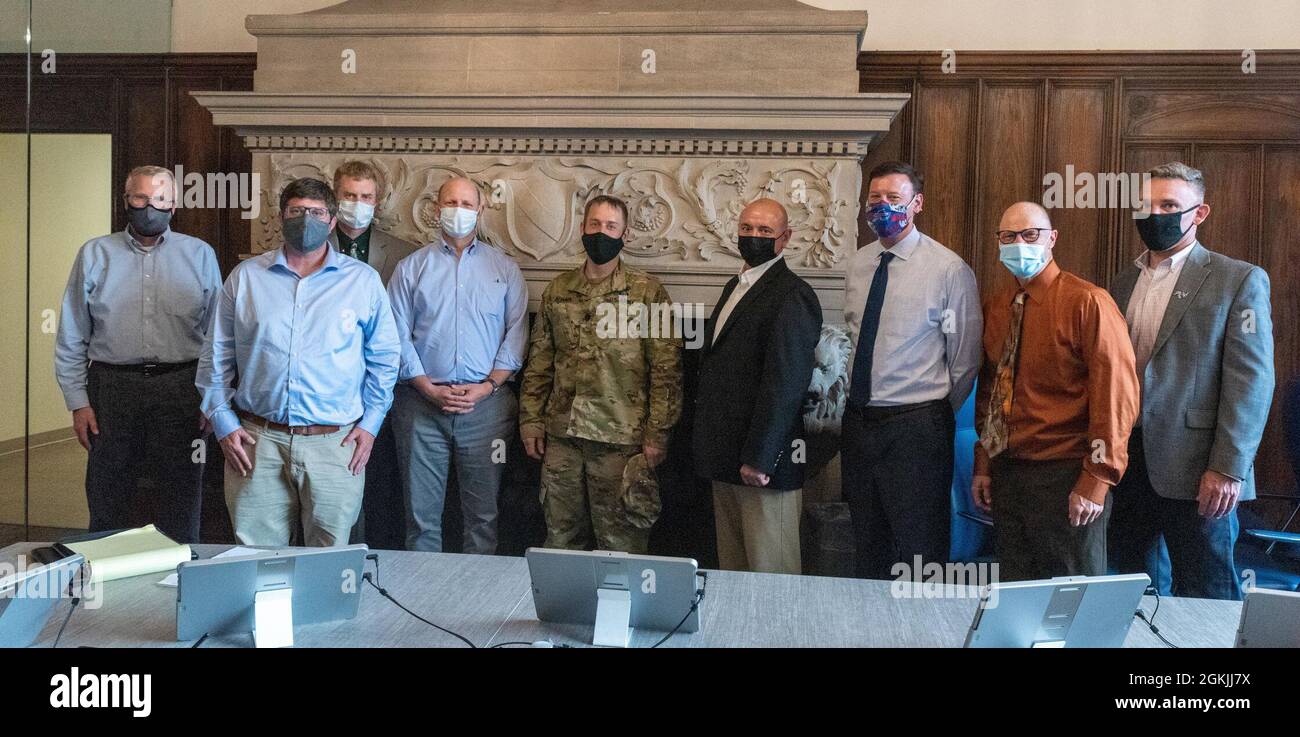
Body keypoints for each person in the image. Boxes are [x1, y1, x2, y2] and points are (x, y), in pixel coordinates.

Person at [197, 177, 400, 547]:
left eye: (316, 212)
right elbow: (215, 358)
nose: (306, 219)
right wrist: (223, 423)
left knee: (330, 558)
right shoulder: (246, 278)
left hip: (336, 443)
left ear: (332, 220)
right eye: (296, 211)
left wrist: (370, 426)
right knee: (256, 559)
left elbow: (385, 361)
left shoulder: (363, 282)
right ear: (281, 216)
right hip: (257, 441)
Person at [1109, 162, 1274, 600]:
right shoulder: (1123, 282)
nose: (1154, 215)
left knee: (1207, 592)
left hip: (1201, 467)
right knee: (1133, 593)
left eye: (1168, 205)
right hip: (1129, 462)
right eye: (1146, 205)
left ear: (1199, 214)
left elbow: (1251, 383)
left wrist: (1227, 468)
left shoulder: (1237, 279)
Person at [54, 165, 221, 543]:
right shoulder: (95, 254)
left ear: (174, 205)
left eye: (160, 199)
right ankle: (106, 583)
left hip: (182, 388)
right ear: (126, 200)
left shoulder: (199, 254)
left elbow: (218, 337)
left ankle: (180, 573)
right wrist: (78, 402)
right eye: (141, 198)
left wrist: (213, 399)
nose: (151, 207)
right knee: (107, 491)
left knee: (183, 490)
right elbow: (71, 332)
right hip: (112, 389)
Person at [972, 202, 1139, 580]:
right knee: (1017, 597)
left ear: (1052, 239)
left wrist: (1097, 480)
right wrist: (983, 464)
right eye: (1008, 236)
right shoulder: (997, 307)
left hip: (1066, 475)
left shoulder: (1088, 303)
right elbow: (992, 393)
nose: (1019, 243)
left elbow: (1115, 397)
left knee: (1069, 600)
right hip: (1008, 474)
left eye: (1030, 235)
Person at [841, 161, 982, 579]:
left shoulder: (947, 269)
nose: (882, 207)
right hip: (860, 423)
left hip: (916, 426)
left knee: (921, 548)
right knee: (867, 543)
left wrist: (931, 413)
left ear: (916, 204)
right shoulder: (859, 264)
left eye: (894, 199)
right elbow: (853, 338)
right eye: (875, 199)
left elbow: (965, 359)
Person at [519, 195, 682, 554]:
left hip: (622, 442)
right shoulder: (558, 290)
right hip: (562, 438)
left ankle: (622, 612)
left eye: (611, 227)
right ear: (582, 229)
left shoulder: (647, 293)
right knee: (559, 541)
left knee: (621, 545)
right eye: (595, 225)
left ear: (624, 235)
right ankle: (563, 611)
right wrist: (530, 419)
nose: (601, 233)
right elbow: (540, 361)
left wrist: (658, 435)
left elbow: (666, 371)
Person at [387, 176, 528, 553]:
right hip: (420, 404)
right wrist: (425, 387)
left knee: (484, 517)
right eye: (451, 203)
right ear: (436, 209)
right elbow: (396, 336)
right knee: (420, 518)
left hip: (487, 408)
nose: (458, 212)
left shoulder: (505, 270)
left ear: (481, 210)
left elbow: (516, 335)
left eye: (467, 204)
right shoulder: (411, 268)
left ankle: (474, 605)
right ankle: (419, 603)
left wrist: (487, 387)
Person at [693, 198, 821, 574]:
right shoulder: (736, 285)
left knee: (771, 575)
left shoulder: (793, 294)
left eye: (765, 231)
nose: (754, 236)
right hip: (725, 458)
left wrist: (761, 457)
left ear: (785, 239)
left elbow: (787, 383)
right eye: (747, 228)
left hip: (765, 467)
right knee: (733, 573)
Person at [329, 160, 417, 549]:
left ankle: (377, 554)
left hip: (384, 385)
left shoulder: (403, 254)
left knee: (381, 482)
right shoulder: (311, 246)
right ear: (335, 198)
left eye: (366, 197)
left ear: (377, 202)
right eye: (349, 195)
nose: (358, 203)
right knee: (334, 482)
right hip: (329, 387)